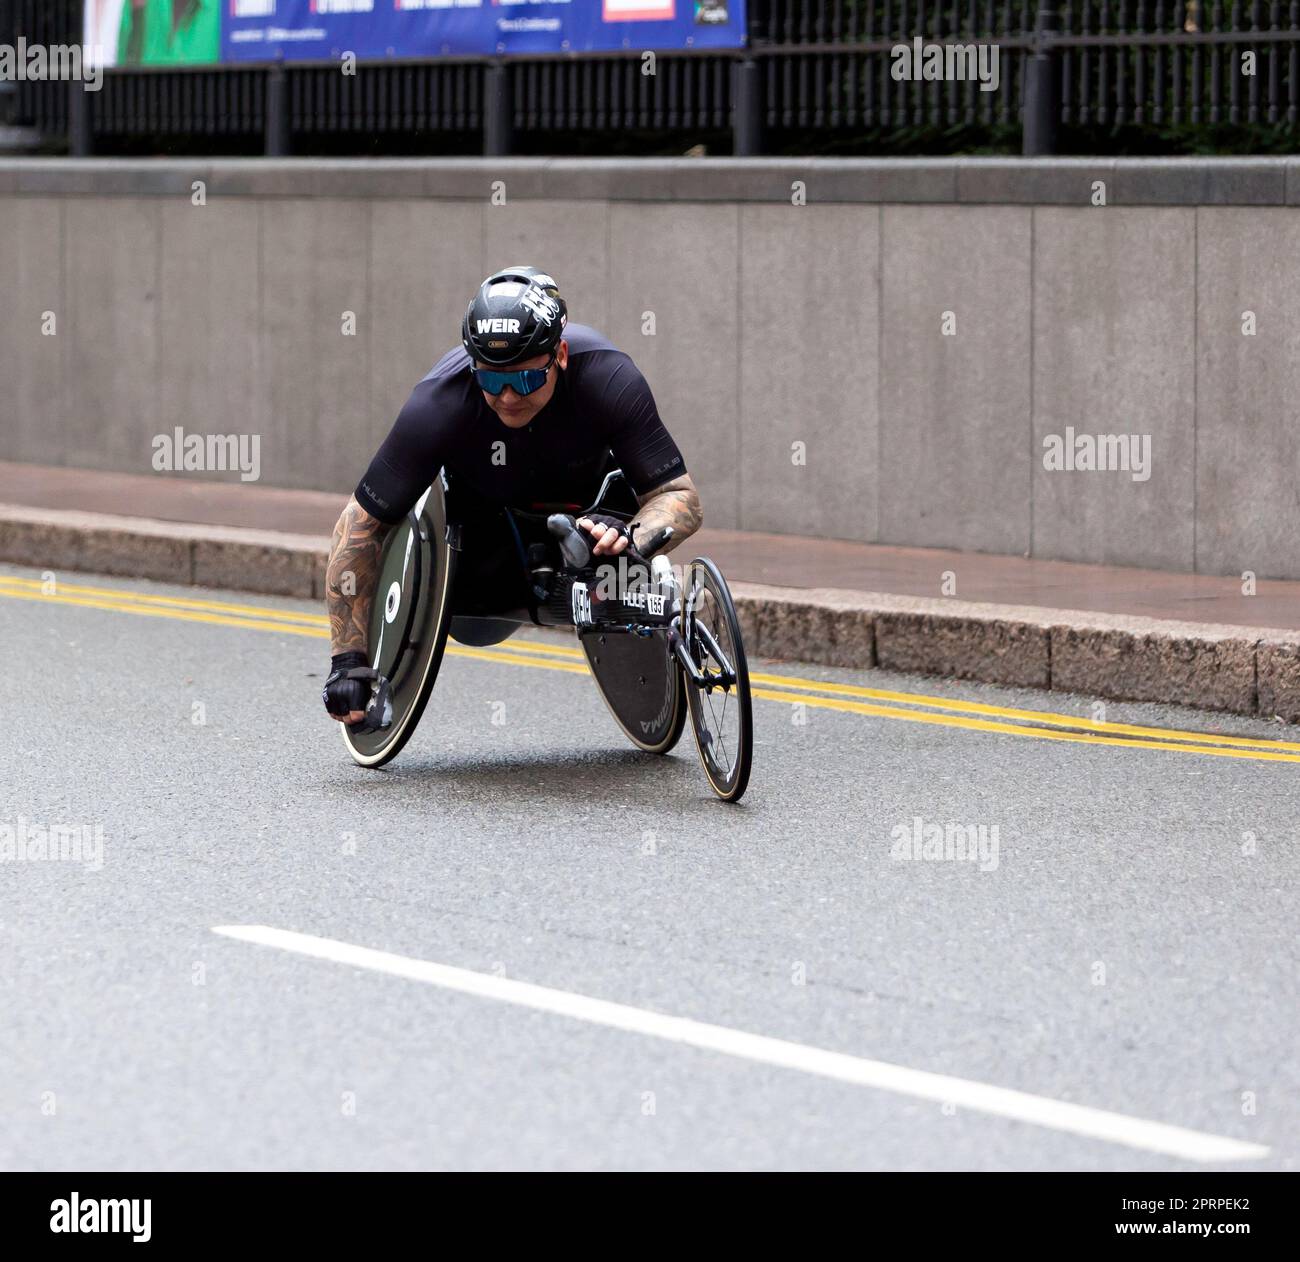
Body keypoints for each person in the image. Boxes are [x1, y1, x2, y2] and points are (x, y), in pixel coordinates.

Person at [322, 265, 703, 726]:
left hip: (595, 516)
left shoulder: (607, 377)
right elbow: (359, 527)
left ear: (559, 354)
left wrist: (631, 537)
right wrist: (347, 660)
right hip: (486, 533)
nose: (506, 397)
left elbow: (680, 497)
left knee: (622, 513)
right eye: (489, 380)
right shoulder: (438, 403)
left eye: (523, 380)